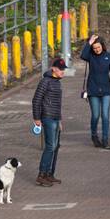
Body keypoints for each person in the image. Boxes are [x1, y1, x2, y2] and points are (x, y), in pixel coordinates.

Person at [79, 33, 110, 149]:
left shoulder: (109, 56)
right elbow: (83, 55)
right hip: (93, 89)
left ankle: (105, 140)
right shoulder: (90, 56)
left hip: (106, 90)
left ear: (103, 46)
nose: (97, 50)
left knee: (105, 116)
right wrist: (89, 43)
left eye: (98, 47)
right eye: (94, 48)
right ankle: (94, 136)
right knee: (96, 115)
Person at [31, 55, 66, 186]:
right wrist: (36, 118)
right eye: (60, 69)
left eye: (63, 69)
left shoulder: (57, 82)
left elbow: (57, 104)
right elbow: (36, 100)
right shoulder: (45, 81)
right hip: (47, 117)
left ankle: (49, 173)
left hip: (55, 118)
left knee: (55, 147)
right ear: (53, 69)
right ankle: (41, 174)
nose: (63, 71)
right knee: (50, 146)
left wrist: (60, 120)